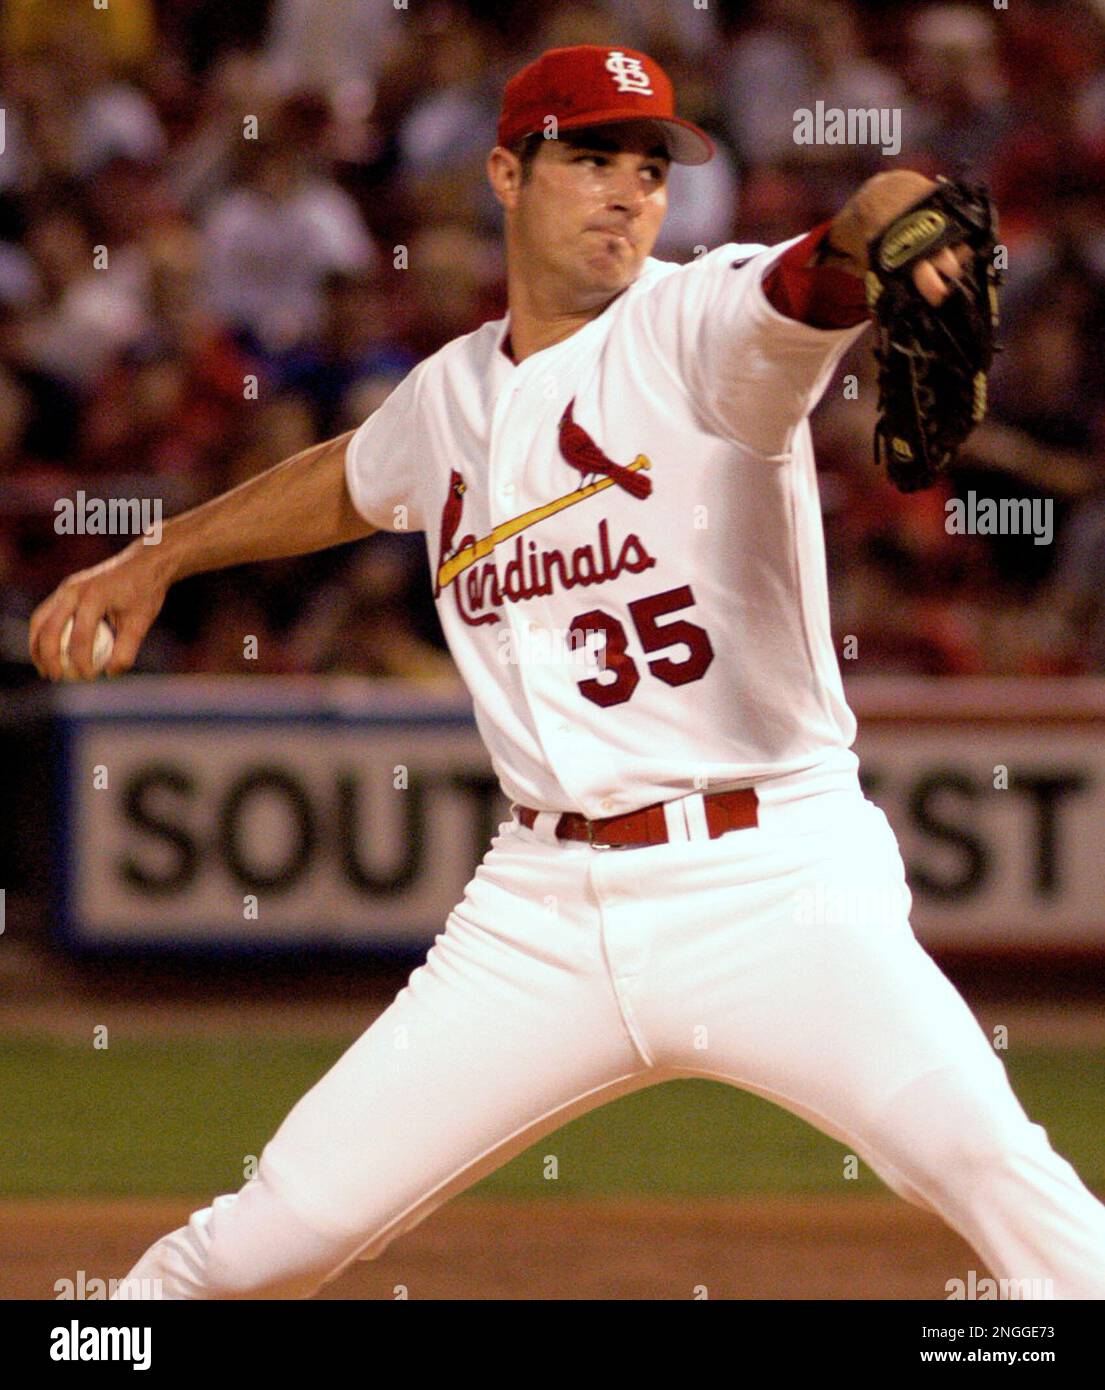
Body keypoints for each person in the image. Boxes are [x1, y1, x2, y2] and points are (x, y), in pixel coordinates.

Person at [30, 45, 1105, 1299]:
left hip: (775, 882)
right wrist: (159, 554)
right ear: (505, 170)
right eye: (589, 156)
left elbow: (828, 263)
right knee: (270, 1238)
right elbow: (348, 476)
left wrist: (884, 219)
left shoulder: (698, 324)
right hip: (539, 905)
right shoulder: (446, 396)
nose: (626, 191)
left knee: (1009, 1188)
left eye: (650, 167)